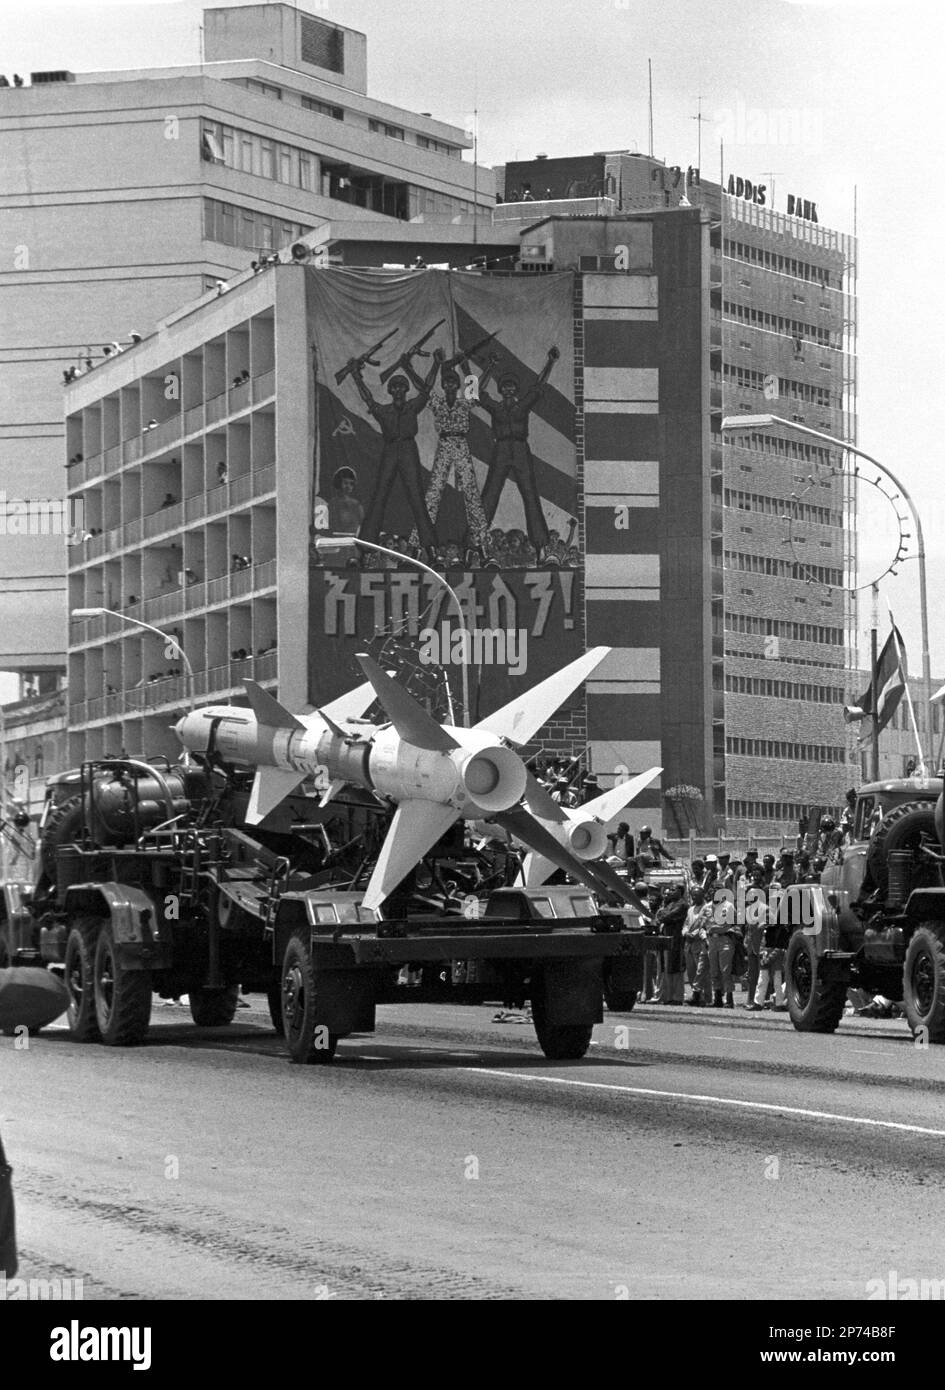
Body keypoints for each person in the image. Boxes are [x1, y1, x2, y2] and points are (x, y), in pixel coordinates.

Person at [349, 352, 442, 552]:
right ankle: (367, 544)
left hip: (408, 449)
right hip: (391, 449)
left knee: (416, 497)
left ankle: (430, 546)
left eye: (402, 386)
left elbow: (426, 389)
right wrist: (356, 377)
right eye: (395, 387)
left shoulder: (412, 407)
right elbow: (368, 399)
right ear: (391, 391)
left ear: (406, 390)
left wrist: (436, 365)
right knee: (380, 494)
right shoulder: (384, 411)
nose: (398, 389)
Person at [475, 346, 559, 555]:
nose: (509, 390)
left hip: (521, 448)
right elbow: (475, 392)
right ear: (501, 390)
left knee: (530, 494)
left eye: (512, 387)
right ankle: (475, 545)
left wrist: (550, 363)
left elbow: (539, 386)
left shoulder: (523, 406)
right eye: (505, 387)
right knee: (490, 493)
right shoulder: (495, 407)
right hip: (501, 448)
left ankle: (541, 547)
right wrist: (490, 367)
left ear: (516, 390)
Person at [418, 361, 492, 554]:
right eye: (447, 382)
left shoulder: (463, 402)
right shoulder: (437, 402)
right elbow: (423, 388)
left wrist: (487, 366)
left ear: (458, 386)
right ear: (443, 385)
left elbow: (477, 387)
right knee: (433, 493)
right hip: (444, 444)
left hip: (460, 444)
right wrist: (409, 368)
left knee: (471, 494)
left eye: (453, 382)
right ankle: (418, 544)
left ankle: (482, 545)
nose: (450, 385)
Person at [654, 885, 687, 1004]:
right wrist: (664, 916)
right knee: (667, 968)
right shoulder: (669, 904)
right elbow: (661, 916)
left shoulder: (682, 904)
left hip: (676, 940)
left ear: (681, 892)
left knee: (676, 968)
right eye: (671, 890)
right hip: (667, 940)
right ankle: (668, 996)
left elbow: (667, 916)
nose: (671, 892)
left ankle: (677, 997)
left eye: (674, 890)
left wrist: (664, 917)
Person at [706, 884, 738, 1008]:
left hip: (724, 939)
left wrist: (714, 928)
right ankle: (717, 997)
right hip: (711, 941)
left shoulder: (728, 906)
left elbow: (728, 925)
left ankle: (729, 998)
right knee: (714, 971)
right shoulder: (707, 907)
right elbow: (703, 924)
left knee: (725, 970)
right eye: (712, 889)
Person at [682, 886, 712, 1005]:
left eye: (697, 895)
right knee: (691, 972)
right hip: (688, 944)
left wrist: (694, 934)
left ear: (702, 895)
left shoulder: (707, 908)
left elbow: (704, 924)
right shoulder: (690, 909)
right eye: (693, 895)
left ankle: (707, 997)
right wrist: (685, 933)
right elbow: (685, 924)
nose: (695, 897)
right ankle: (696, 997)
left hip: (699, 943)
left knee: (702, 973)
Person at [328, 466, 364, 535]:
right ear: (339, 483)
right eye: (345, 483)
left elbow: (363, 525)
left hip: (352, 541)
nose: (348, 486)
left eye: (351, 484)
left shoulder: (356, 505)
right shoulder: (332, 504)